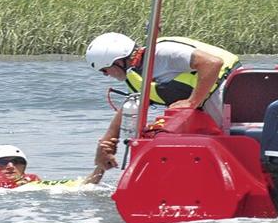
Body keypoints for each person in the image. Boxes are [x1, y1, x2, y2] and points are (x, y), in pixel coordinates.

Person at [85, 32, 240, 170]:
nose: (106, 75)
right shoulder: (137, 75)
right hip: (216, 110)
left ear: (118, 61)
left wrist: (192, 102)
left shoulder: (161, 53)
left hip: (234, 93)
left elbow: (212, 63)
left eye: (104, 70)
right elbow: (132, 106)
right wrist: (107, 143)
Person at [0, 144, 105, 187]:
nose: (10, 166)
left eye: (16, 162)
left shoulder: (31, 183)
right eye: (2, 163)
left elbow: (85, 184)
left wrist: (101, 166)